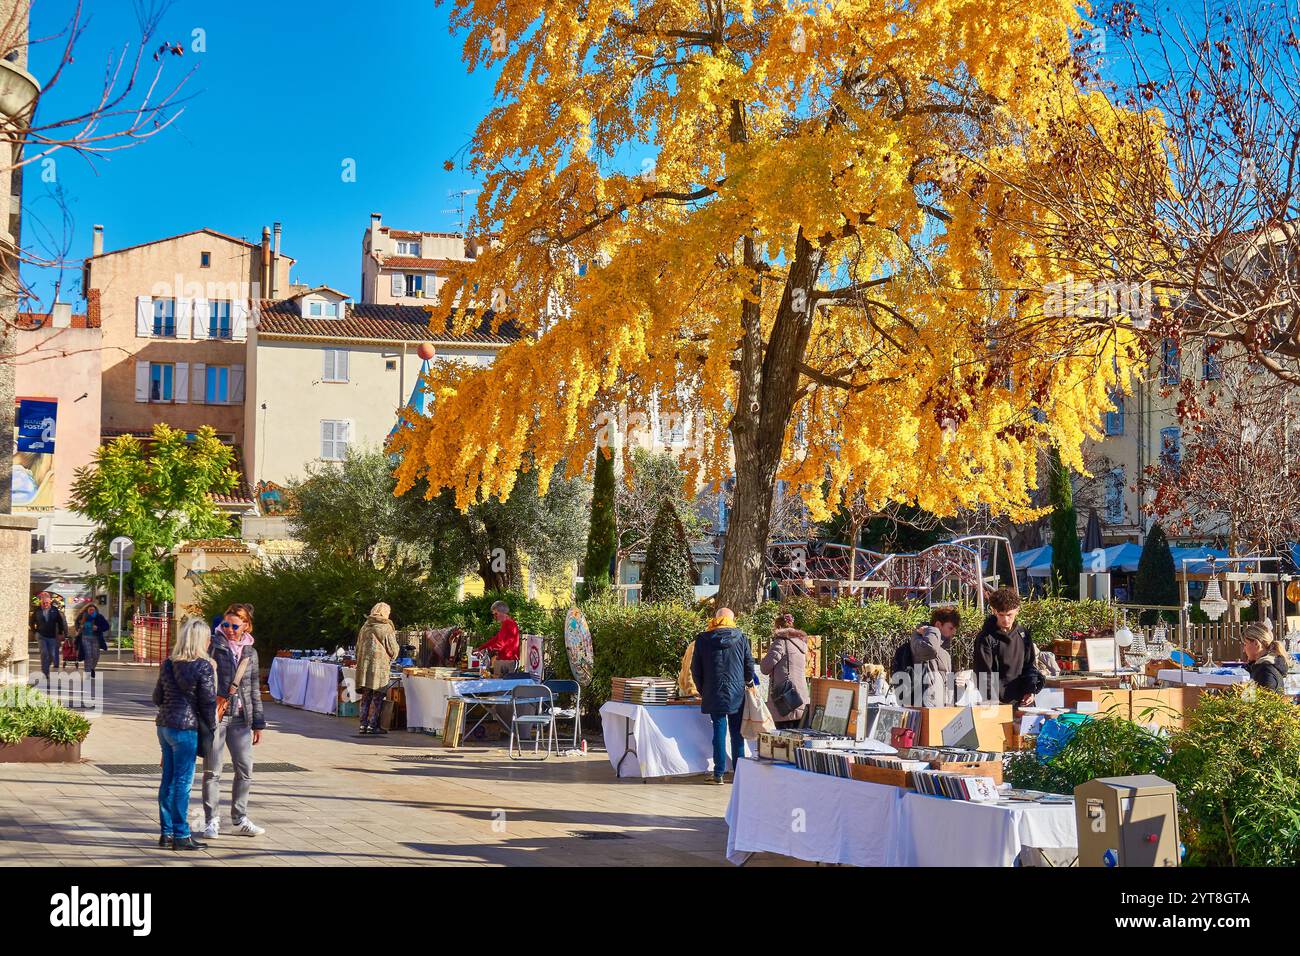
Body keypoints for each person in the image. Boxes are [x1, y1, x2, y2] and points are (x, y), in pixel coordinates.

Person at [200, 603, 266, 839]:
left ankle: (240, 818)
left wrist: (258, 722)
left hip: (241, 719)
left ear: (246, 626)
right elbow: (202, 679)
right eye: (225, 624)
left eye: (234, 625)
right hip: (217, 717)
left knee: (245, 769)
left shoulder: (251, 652)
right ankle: (211, 821)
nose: (228, 629)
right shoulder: (213, 646)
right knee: (212, 771)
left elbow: (254, 689)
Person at [152, 616, 217, 851]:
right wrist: (212, 728)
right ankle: (181, 834)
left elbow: (157, 697)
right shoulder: (203, 665)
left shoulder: (168, 663)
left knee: (168, 779)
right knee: (183, 782)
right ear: (202, 640)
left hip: (164, 725)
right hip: (186, 729)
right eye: (209, 637)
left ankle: (166, 832)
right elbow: (208, 702)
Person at [690, 608, 757, 784]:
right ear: (732, 620)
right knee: (737, 733)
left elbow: (695, 669)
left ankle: (718, 773)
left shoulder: (703, 639)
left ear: (716, 619)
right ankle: (739, 772)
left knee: (718, 730)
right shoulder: (741, 638)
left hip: (713, 690)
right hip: (737, 692)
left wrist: (702, 689)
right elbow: (749, 664)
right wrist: (748, 682)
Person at [971, 587, 1040, 705]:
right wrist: (992, 699)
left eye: (1009, 615)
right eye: (1001, 615)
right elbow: (983, 674)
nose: (1005, 619)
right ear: (994, 611)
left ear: (1017, 610)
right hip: (996, 702)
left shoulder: (1023, 634)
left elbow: (1029, 666)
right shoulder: (986, 638)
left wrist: (1031, 690)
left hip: (1024, 701)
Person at [354, 602, 399, 736]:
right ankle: (373, 725)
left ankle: (363, 724)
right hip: (379, 667)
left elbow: (357, 648)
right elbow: (393, 648)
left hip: (364, 667)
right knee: (377, 696)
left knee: (366, 696)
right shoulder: (385, 627)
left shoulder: (365, 626)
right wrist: (394, 655)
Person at [760, 613, 810, 728]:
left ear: (778, 627)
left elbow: (764, 668)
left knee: (783, 738)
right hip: (800, 696)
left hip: (785, 698)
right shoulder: (801, 643)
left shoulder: (780, 643)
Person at [909, 607, 959, 707]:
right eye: (951, 628)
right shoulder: (919, 642)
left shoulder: (945, 653)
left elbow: (947, 688)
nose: (954, 633)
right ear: (938, 625)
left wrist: (958, 683)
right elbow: (930, 649)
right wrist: (931, 630)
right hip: (925, 710)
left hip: (941, 711)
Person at [1241, 623, 1289, 692]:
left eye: (1245, 644)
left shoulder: (1265, 671)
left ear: (1256, 643)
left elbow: (1265, 701)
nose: (1243, 650)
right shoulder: (1264, 666)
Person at [30, 592, 68, 680]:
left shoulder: (54, 610)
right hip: (41, 635)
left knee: (52, 655)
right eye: (43, 603)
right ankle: (45, 672)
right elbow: (32, 622)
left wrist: (61, 632)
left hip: (51, 636)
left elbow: (60, 621)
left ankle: (46, 667)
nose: (45, 604)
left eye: (47, 603)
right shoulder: (37, 610)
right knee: (44, 653)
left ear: (50, 602)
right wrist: (34, 631)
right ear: (40, 602)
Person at [478, 600, 521, 676]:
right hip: (504, 660)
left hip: (507, 660)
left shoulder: (508, 623)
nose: (494, 617)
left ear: (502, 612)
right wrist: (481, 648)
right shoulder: (506, 623)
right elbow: (495, 639)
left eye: (495, 614)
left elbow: (500, 644)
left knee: (501, 685)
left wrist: (486, 649)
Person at [73, 602, 110, 680]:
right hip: (85, 638)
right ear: (87, 610)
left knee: (95, 655)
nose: (91, 611)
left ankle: (92, 668)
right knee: (88, 655)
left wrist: (98, 628)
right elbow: (76, 624)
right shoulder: (82, 616)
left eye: (93, 610)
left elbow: (106, 626)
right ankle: (87, 672)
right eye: (90, 610)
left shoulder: (99, 617)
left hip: (95, 638)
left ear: (96, 610)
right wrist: (79, 628)